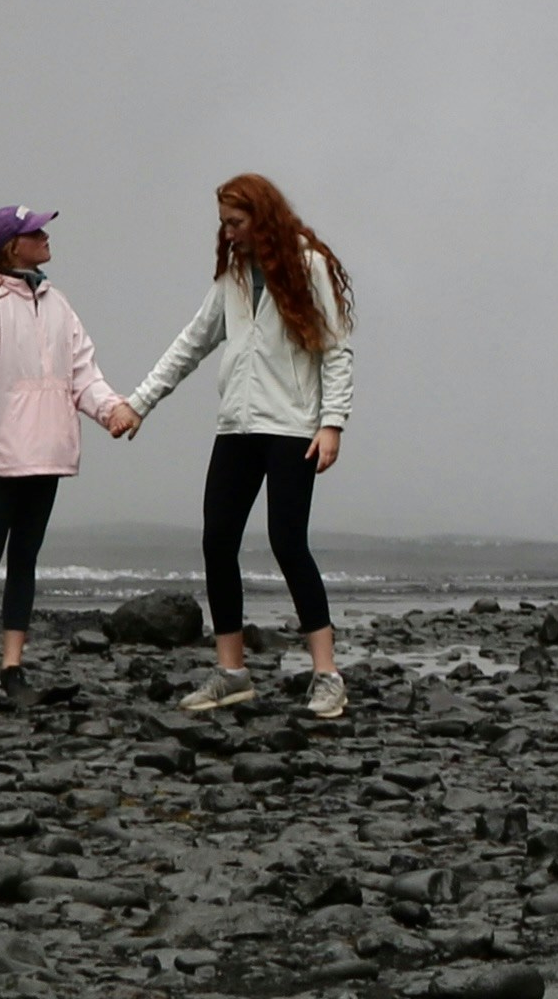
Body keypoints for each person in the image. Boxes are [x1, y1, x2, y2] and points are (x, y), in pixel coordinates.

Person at [126, 169, 355, 718]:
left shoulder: (308, 265)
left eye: (237, 222)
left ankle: (327, 676)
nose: (228, 233)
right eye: (224, 224)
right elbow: (193, 342)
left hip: (293, 427)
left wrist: (333, 423)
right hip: (237, 426)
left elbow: (336, 349)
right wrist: (139, 402)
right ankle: (232, 673)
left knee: (287, 541)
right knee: (218, 540)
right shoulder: (231, 275)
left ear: (262, 217)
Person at [0, 203, 137, 688]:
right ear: (13, 246)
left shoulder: (57, 303)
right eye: (35, 232)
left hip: (48, 453)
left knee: (25, 560)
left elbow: (82, 374)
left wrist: (110, 409)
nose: (46, 236)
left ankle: (12, 665)